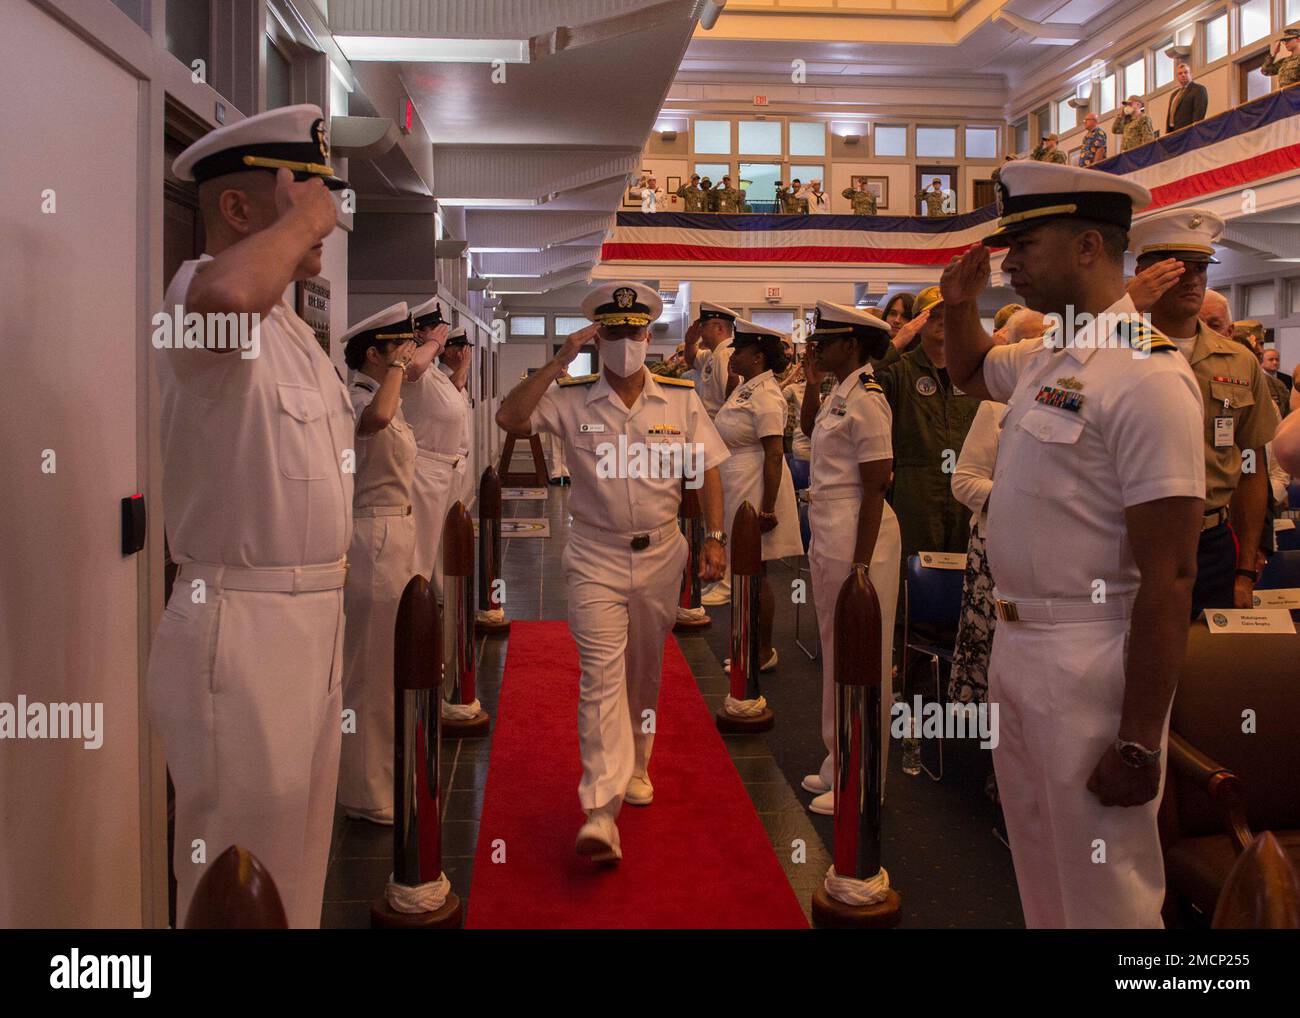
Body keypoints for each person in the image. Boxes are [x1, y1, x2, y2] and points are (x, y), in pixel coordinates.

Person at [941, 160, 1204, 928]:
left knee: (1105, 890)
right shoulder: (1051, 357)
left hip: (1093, 658)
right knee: (1040, 866)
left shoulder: (1147, 374)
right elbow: (965, 370)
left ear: (1089, 246)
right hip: (1019, 647)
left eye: (1025, 243)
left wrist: (1138, 739)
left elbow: (1173, 573)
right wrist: (960, 305)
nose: (1009, 262)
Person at [151, 104, 352, 928]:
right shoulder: (199, 295)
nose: (324, 224)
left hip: (314, 619)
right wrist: (305, 212)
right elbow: (229, 288)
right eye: (306, 201)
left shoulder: (292, 333)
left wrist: (302, 207)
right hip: (242, 624)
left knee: (294, 873)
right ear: (238, 211)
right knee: (238, 870)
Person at [494, 282, 729, 863]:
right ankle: (600, 810)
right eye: (614, 332)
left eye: (634, 331)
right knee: (600, 674)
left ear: (650, 335)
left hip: (662, 552)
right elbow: (509, 417)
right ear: (599, 337)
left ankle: (640, 761)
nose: (626, 341)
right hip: (594, 555)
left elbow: (708, 469)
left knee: (643, 670)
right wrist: (557, 359)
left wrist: (716, 537)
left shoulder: (679, 397)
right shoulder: (571, 398)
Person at [1126, 208, 1278, 615]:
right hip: (1132, 540)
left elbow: (1251, 467)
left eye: (1201, 268)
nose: (1193, 278)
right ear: (1145, 274)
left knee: (1208, 668)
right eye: (1178, 267)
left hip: (1211, 542)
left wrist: (1245, 569)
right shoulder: (1114, 349)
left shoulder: (1237, 361)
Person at [798, 303, 900, 816]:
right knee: (835, 646)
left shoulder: (869, 398)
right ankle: (840, 758)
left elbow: (878, 483)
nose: (817, 347)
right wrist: (813, 380)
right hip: (832, 525)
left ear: (853, 345)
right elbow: (807, 429)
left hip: (862, 529)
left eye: (827, 341)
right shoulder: (842, 393)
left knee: (861, 654)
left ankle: (862, 778)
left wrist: (861, 565)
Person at [337, 303, 419, 826]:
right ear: (374, 354)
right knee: (367, 672)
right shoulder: (358, 396)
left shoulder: (387, 393)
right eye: (398, 348)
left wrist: (400, 369)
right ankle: (365, 793)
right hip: (373, 535)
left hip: (397, 532)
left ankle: (383, 777)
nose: (407, 357)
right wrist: (394, 371)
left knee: (387, 666)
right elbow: (376, 423)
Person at [713, 320, 804, 671]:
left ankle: (762, 651)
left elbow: (774, 454)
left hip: (757, 489)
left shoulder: (766, 394)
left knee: (757, 573)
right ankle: (747, 646)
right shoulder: (749, 388)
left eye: (740, 349)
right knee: (746, 572)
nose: (733, 354)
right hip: (742, 484)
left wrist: (767, 509)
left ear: (757, 355)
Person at [875, 285, 981, 564]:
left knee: (963, 574)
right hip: (916, 490)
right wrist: (896, 343)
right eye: (933, 314)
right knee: (914, 573)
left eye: (950, 313)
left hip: (965, 489)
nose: (943, 319)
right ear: (918, 322)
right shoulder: (899, 370)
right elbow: (863, 380)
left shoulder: (973, 371)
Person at [401, 297, 460, 588]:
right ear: (420, 333)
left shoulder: (434, 370)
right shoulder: (415, 362)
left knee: (437, 542)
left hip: (444, 468)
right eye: (435, 329)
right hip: (423, 467)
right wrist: (433, 344)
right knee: (421, 546)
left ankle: (432, 598)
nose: (441, 336)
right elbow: (411, 367)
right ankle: (416, 604)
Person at [439, 326, 476, 506]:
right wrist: (465, 365)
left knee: (455, 508)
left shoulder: (456, 375)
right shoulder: (440, 376)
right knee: (449, 512)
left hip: (459, 457)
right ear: (447, 351)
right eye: (461, 348)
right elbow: (453, 388)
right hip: (448, 460)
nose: (465, 353)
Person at [1166, 63, 1208, 134]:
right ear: (1177, 77)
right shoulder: (1174, 95)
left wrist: (1194, 131)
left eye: (1186, 72)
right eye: (1180, 73)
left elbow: (1199, 114)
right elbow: (1170, 116)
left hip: (1189, 132)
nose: (1183, 75)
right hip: (1173, 133)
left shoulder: (1198, 89)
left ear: (1191, 74)